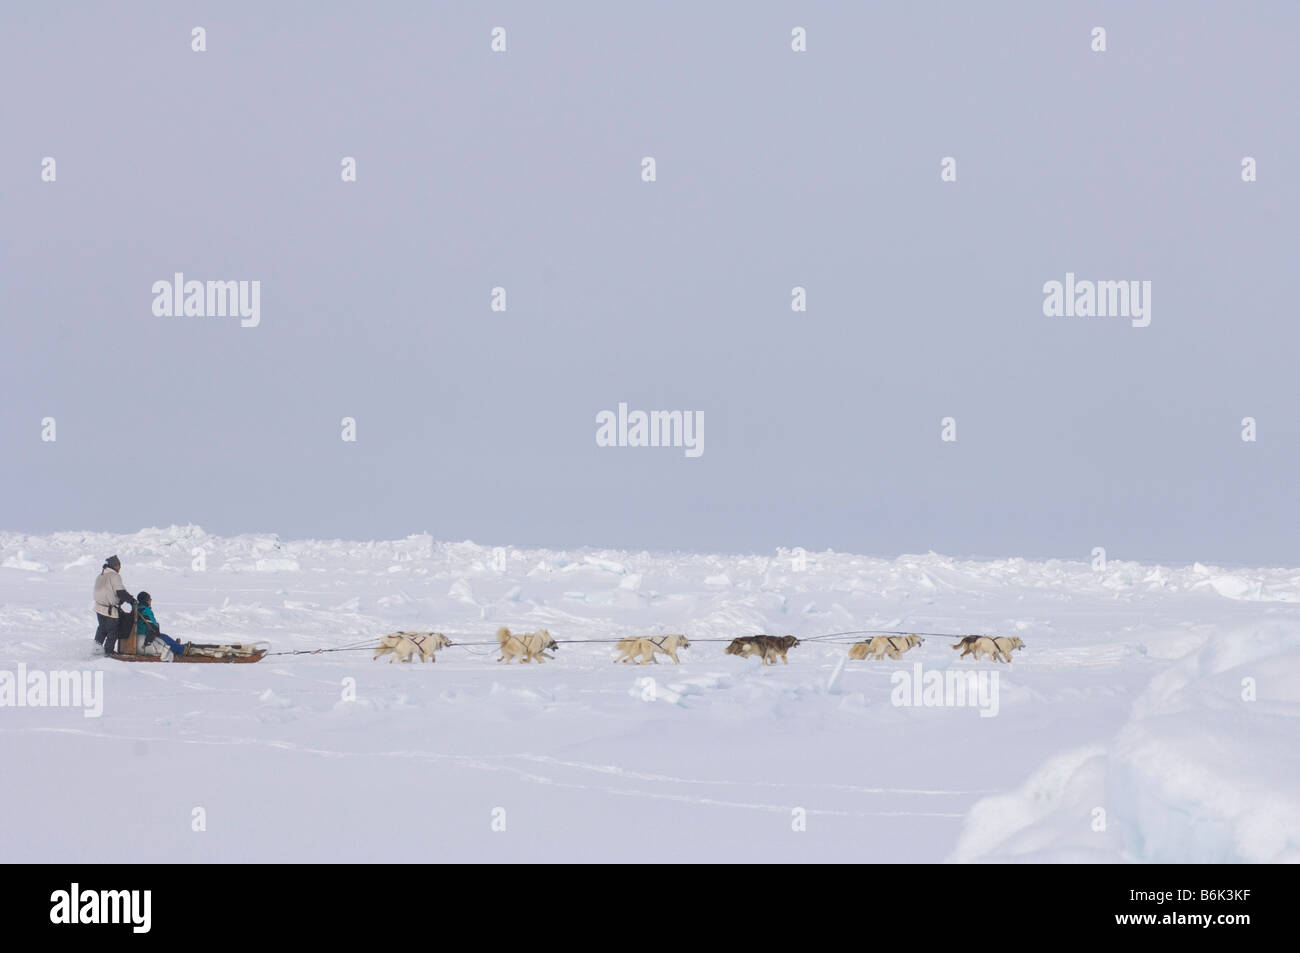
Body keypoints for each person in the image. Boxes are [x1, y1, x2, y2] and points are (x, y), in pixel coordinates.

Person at [92, 555, 135, 656]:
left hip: (98, 607)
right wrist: (132, 600)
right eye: (119, 565)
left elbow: (107, 591)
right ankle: (108, 652)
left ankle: (95, 651)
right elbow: (120, 592)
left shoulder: (101, 575)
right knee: (113, 631)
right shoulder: (114, 576)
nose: (120, 568)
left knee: (102, 629)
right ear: (116, 565)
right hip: (109, 610)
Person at [135, 592, 185, 658]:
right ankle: (181, 650)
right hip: (145, 635)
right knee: (164, 637)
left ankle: (176, 646)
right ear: (146, 601)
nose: (150, 601)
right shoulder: (146, 610)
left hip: (138, 634)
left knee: (165, 637)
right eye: (150, 599)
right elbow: (154, 626)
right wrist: (156, 629)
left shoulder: (137, 609)